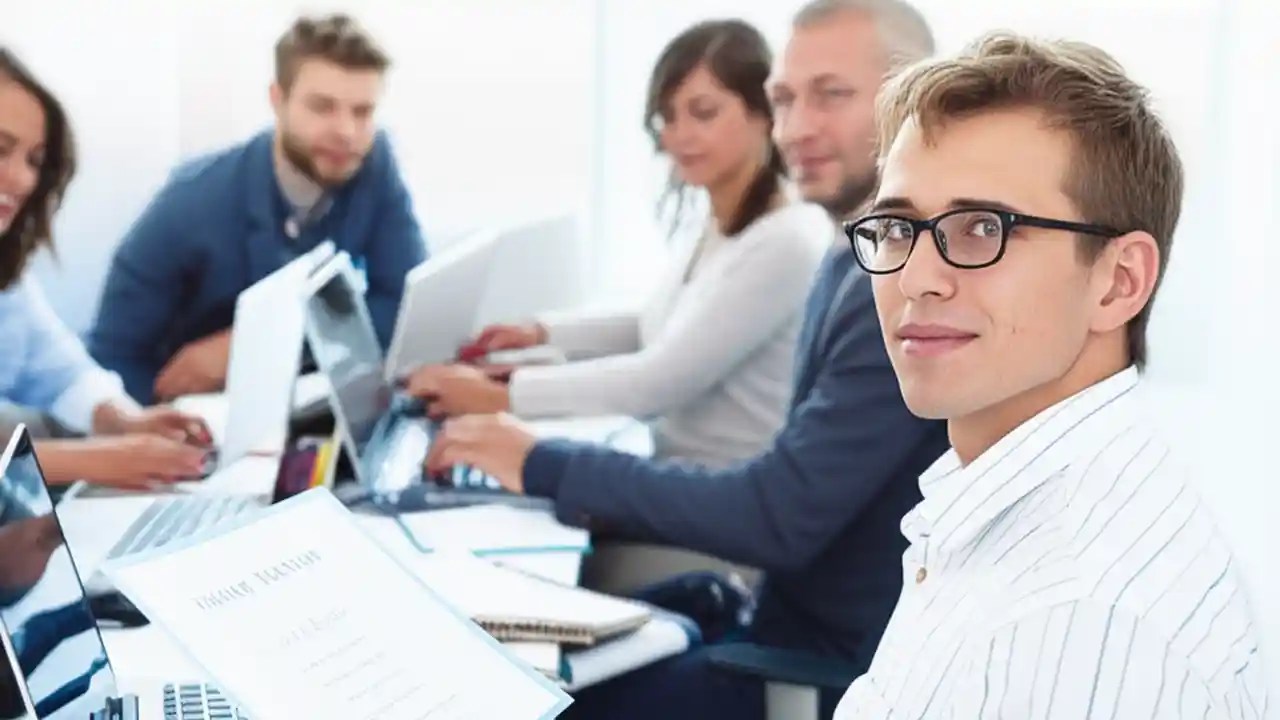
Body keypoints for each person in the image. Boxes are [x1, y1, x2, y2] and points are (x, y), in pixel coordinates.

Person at [423, 2, 945, 717]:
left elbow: (774, 516)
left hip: (802, 666)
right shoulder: (845, 260)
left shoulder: (903, 288)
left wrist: (540, 458)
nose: (797, 127)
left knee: (505, 696)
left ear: (915, 95)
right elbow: (650, 329)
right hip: (768, 619)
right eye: (786, 99)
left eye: (832, 94)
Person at [832, 32, 1267, 718]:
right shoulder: (1005, 512)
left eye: (982, 228)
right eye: (896, 226)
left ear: (1119, 282)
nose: (916, 278)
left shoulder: (1082, 618)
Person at [406, 19, 831, 468]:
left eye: (703, 112)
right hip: (678, 470)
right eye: (667, 117)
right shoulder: (718, 222)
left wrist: (500, 396)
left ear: (763, 114)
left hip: (720, 493)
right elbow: (655, 328)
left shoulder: (786, 240)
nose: (679, 135)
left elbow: (657, 381)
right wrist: (541, 332)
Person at [89, 12, 428, 404]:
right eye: (322, 107)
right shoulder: (189, 205)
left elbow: (405, 309)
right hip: (185, 416)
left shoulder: (371, 160)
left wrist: (254, 343)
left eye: (362, 112)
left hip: (294, 402)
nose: (347, 132)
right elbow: (110, 362)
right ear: (277, 100)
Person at [0, 48, 212, 489]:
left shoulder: (9, 278)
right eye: (1, 150)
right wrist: (97, 460)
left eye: (35, 161)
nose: (22, 180)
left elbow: (59, 371)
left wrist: (123, 421)